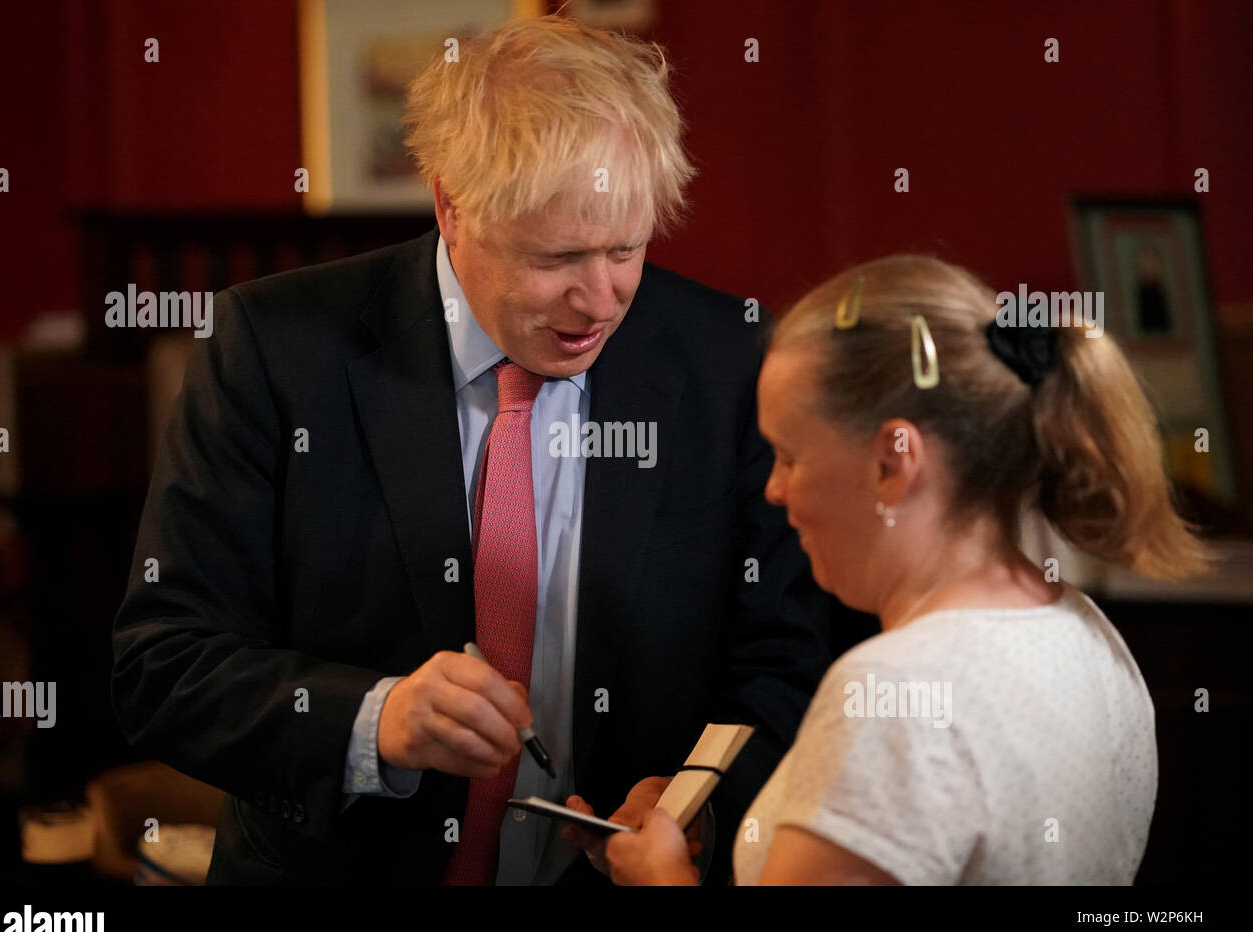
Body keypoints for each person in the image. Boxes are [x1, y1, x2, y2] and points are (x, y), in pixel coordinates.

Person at [109, 15, 831, 885]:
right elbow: (163, 664)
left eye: (627, 249)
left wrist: (700, 806)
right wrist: (377, 721)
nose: (600, 300)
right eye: (558, 256)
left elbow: (790, 664)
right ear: (452, 205)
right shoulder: (274, 346)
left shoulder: (729, 359)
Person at [576, 254, 1210, 884]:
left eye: (791, 457)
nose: (772, 490)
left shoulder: (890, 695)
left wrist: (659, 879)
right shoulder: (1092, 636)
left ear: (892, 464)